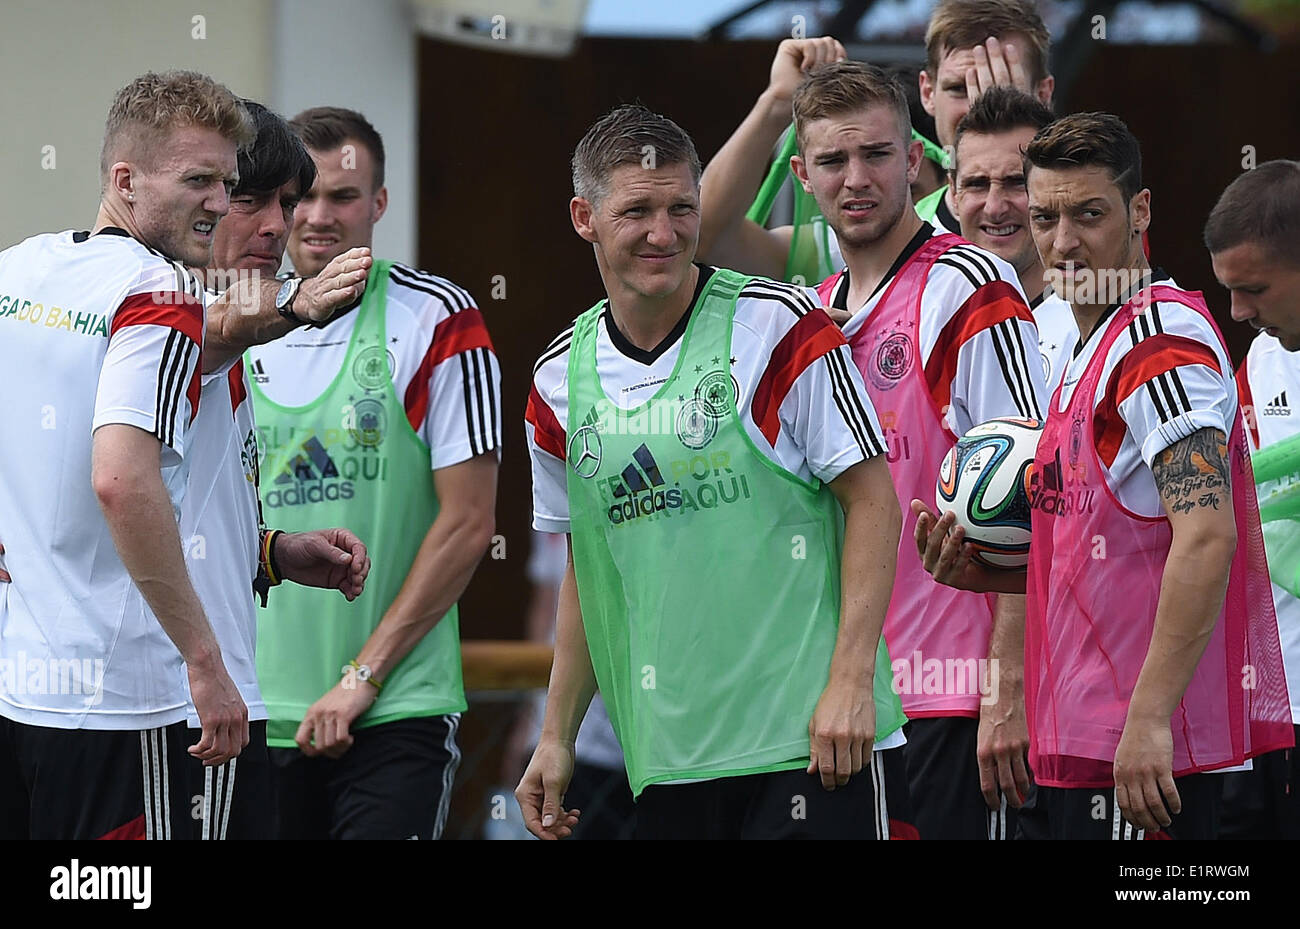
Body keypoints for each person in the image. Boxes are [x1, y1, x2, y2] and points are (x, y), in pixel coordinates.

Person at [518, 103, 910, 841]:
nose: (663, 233)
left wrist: (851, 681)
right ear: (584, 217)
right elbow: (586, 568)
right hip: (671, 760)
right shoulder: (556, 380)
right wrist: (555, 735)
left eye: (681, 208)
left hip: (813, 743)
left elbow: (873, 503)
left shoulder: (779, 325)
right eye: (637, 211)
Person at [912, 114, 1293, 838]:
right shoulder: (1083, 343)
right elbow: (1107, 557)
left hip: (1140, 751)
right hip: (1083, 738)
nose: (1063, 242)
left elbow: (1206, 538)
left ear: (1139, 211)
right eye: (1045, 217)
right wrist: (985, 572)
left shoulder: (1159, 344)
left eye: (1089, 214)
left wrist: (1149, 719)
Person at [790, 62, 1047, 839]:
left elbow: (1033, 497)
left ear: (912, 160)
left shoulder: (970, 286)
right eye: (833, 160)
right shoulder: (809, 316)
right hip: (847, 700)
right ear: (802, 176)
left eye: (876, 154)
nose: (855, 178)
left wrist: (1005, 686)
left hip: (954, 699)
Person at [0, 70, 253, 840]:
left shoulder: (16, 270)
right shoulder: (159, 291)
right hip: (124, 699)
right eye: (198, 180)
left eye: (227, 183)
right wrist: (204, 659)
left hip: (19, 690)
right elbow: (121, 478)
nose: (220, 202)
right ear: (125, 180)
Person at [247, 106, 501, 839]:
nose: (319, 216)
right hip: (254, 711)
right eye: (303, 196)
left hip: (394, 710)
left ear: (380, 203)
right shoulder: (233, 326)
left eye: (344, 196)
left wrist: (363, 678)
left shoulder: (437, 318)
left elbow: (469, 523)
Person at [180, 100, 372, 840]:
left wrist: (272, 552)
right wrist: (294, 304)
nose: (276, 225)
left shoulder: (232, 336)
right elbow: (207, 326)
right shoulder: (159, 311)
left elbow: (182, 514)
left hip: (226, 698)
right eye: (249, 198)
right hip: (166, 705)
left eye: (285, 203)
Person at [698, 0, 1054, 281]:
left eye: (1001, 89)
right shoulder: (878, 226)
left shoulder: (1081, 227)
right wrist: (777, 102)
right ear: (927, 92)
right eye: (958, 88)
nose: (979, 106)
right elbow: (706, 238)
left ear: (1043, 95)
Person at [1204, 160, 1300, 838]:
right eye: (1230, 290)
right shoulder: (1263, 357)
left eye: (1255, 289)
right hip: (1265, 699)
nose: (1238, 312)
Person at [949, 87, 1074, 390]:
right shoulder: (926, 321)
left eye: (1017, 182)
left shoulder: (1097, 323)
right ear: (953, 194)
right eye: (977, 184)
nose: (995, 208)